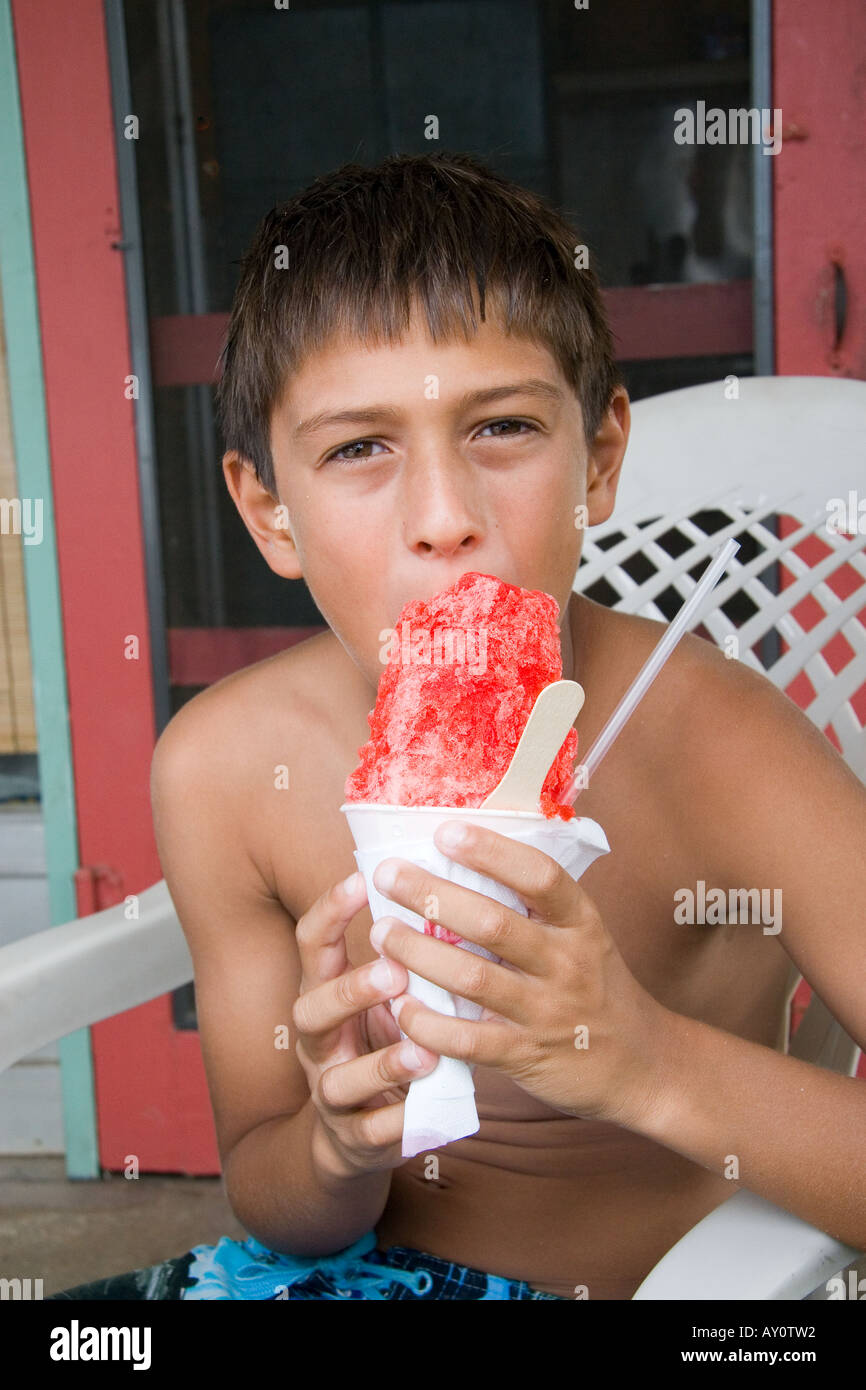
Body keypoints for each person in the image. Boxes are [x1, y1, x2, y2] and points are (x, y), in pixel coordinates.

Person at [48, 151, 866, 1301]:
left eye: (501, 429)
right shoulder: (224, 768)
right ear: (265, 510)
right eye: (358, 449)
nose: (443, 520)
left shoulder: (712, 741)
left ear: (597, 460)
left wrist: (642, 1060)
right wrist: (337, 1145)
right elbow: (268, 1190)